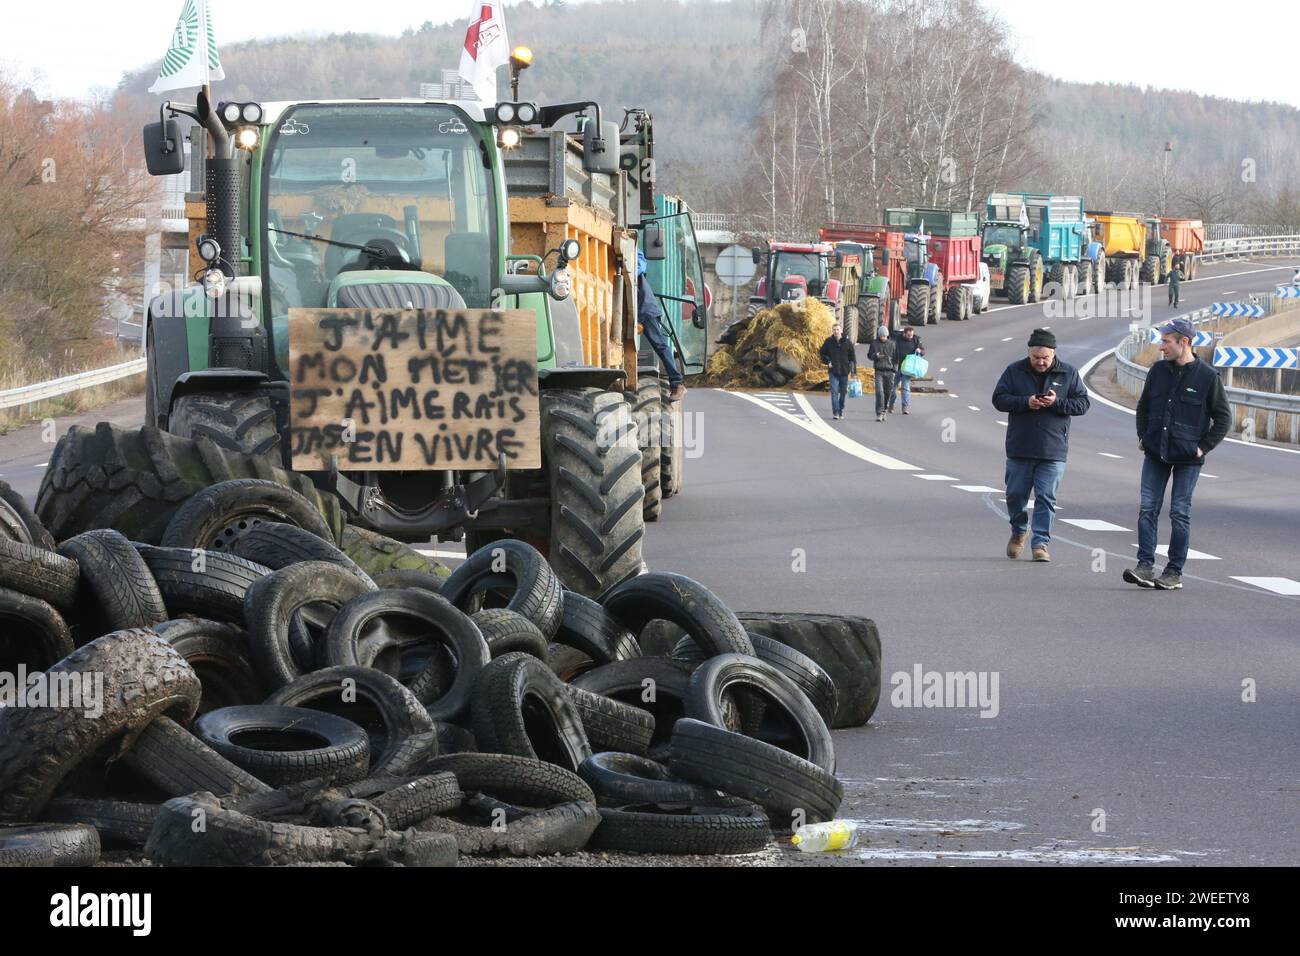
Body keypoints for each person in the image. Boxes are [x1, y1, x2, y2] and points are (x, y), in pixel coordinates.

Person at [1124, 318, 1230, 590]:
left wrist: (1202, 447)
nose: (1161, 347)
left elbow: (1223, 419)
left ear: (1184, 342)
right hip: (1155, 452)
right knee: (1147, 509)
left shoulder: (1207, 377)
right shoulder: (1158, 371)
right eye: (1161, 342)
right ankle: (1145, 566)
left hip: (1188, 458)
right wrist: (1143, 436)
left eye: (1166, 341)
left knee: (1179, 513)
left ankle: (1173, 572)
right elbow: (1143, 407)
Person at [991, 329, 1090, 562]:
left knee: (1046, 496)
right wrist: (1026, 402)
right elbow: (999, 399)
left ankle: (1040, 543)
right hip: (1020, 447)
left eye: (1045, 357)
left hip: (1053, 449)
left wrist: (1057, 403)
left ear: (1053, 353)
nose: (1041, 362)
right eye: (1036, 358)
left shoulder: (1069, 373)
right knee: (1015, 495)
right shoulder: (1014, 371)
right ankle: (1018, 531)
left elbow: (1083, 404)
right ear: (1029, 353)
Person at [637, 249, 685, 401]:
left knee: (659, 344)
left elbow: (640, 265)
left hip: (645, 309)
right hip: (632, 309)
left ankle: (677, 382)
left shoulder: (635, 253)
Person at [818, 323, 856, 420]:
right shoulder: (828, 342)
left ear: (841, 331)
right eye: (834, 330)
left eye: (837, 329)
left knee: (843, 392)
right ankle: (835, 412)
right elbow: (822, 353)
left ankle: (841, 410)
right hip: (833, 371)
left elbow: (852, 358)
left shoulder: (848, 343)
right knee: (834, 392)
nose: (835, 331)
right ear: (832, 331)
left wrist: (853, 372)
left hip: (844, 371)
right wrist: (828, 361)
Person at [888, 325, 925, 414]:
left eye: (911, 335)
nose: (910, 337)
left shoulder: (916, 340)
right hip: (897, 366)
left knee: (905, 387)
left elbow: (923, 351)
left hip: (908, 368)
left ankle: (905, 407)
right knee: (893, 387)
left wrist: (920, 351)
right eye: (909, 335)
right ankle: (891, 404)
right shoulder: (897, 339)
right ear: (904, 334)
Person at [866, 325, 896, 422]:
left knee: (888, 392)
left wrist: (894, 369)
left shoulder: (892, 344)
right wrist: (875, 355)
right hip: (879, 371)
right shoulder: (874, 343)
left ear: (887, 336)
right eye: (881, 336)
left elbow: (896, 358)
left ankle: (884, 410)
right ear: (879, 335)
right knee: (879, 392)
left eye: (884, 336)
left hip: (890, 371)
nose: (883, 338)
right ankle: (879, 413)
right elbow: (869, 355)